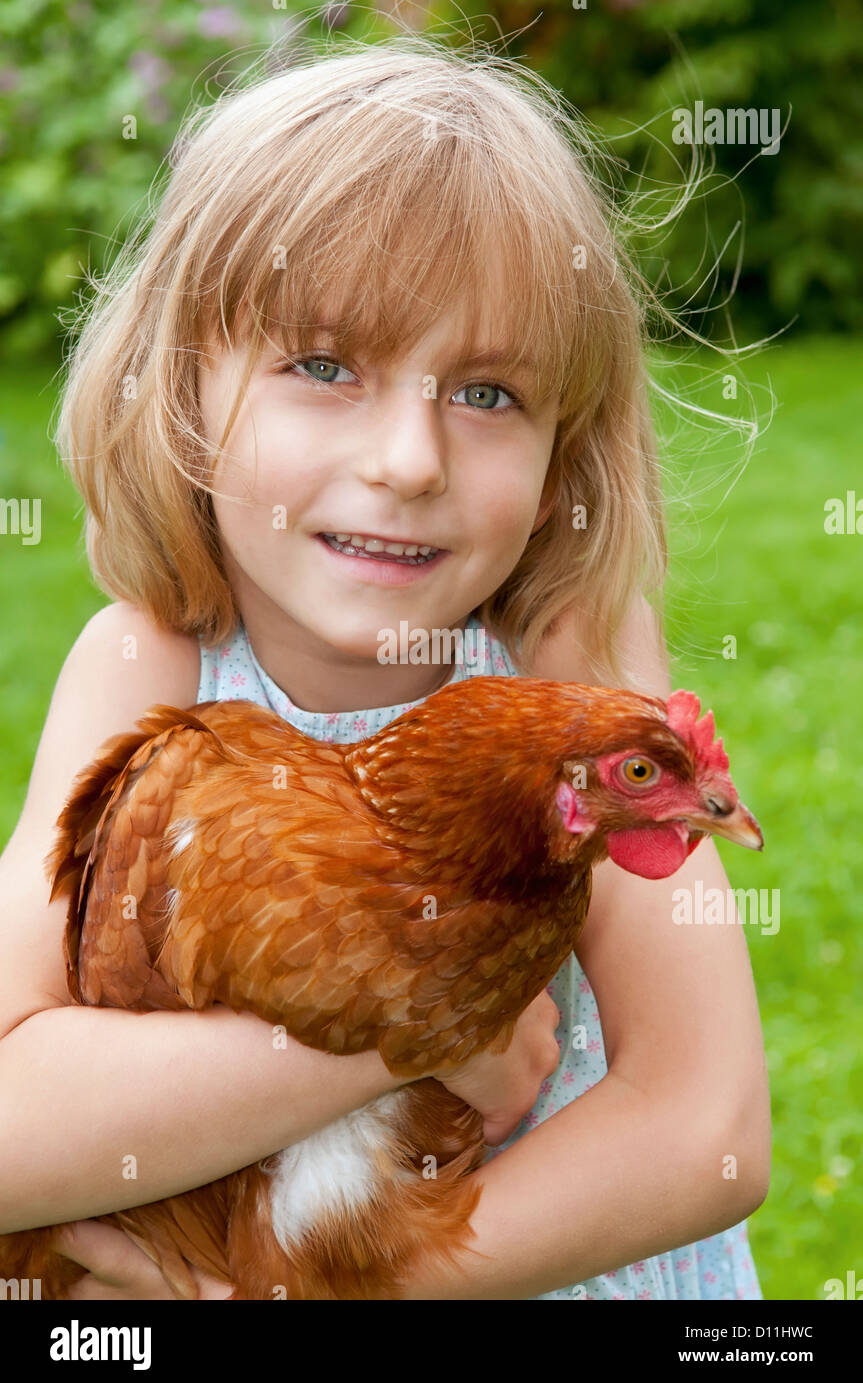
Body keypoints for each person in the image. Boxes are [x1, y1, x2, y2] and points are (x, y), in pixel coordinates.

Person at [0, 35, 769, 1299]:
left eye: (486, 393)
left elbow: (708, 1131)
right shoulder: (153, 664)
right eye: (321, 366)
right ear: (186, 391)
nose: (409, 459)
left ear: (563, 448)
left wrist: (311, 1295)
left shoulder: (564, 659)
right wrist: (420, 1024)